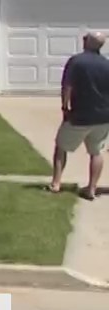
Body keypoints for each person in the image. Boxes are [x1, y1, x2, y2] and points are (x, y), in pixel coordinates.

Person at [50, 31, 109, 200]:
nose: (82, 39)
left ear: (88, 42)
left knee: (61, 147)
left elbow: (67, 86)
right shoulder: (106, 64)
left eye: (85, 38)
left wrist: (65, 107)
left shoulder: (76, 62)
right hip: (103, 117)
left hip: (80, 115)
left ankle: (56, 183)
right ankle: (91, 188)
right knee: (96, 152)